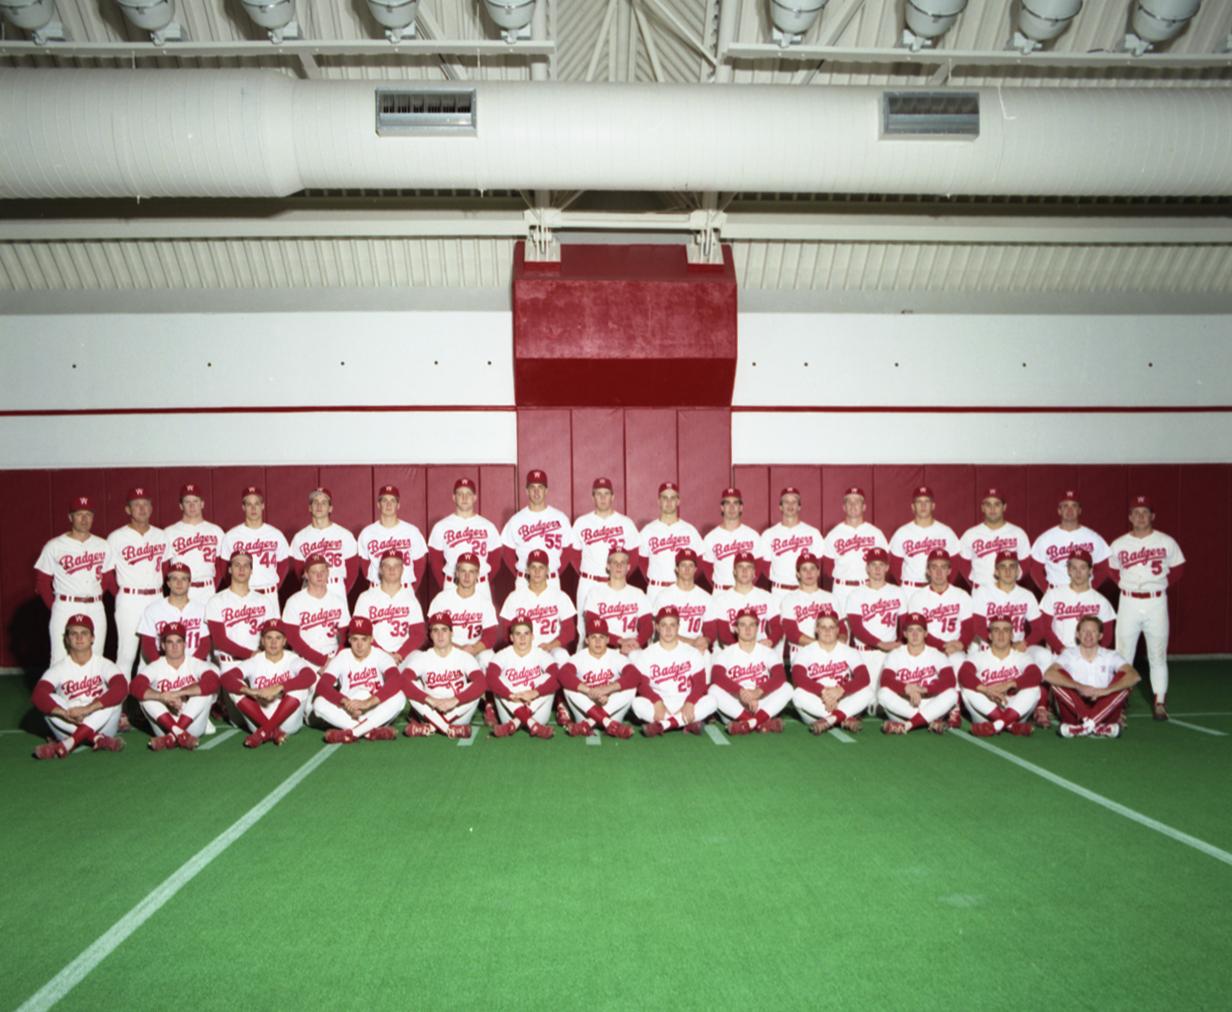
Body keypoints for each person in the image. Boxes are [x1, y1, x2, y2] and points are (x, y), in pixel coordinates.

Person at [1110, 494, 1185, 720]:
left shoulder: (1166, 541)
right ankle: (1119, 701)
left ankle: (1159, 700)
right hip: (1129, 600)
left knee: (1157, 654)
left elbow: (1178, 568)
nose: (1141, 517)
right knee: (1123, 654)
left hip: (1156, 600)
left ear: (1153, 516)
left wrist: (1159, 585)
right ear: (1130, 517)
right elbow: (1111, 569)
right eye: (1136, 513)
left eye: (1145, 513)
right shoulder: (1120, 543)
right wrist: (1126, 585)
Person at [30, 614, 126, 759]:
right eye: (74, 633)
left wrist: (88, 709)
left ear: (92, 638)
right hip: (69, 723)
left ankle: (68, 744)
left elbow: (121, 687)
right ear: (67, 639)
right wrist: (63, 713)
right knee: (49, 700)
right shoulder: (59, 668)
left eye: (84, 633)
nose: (79, 637)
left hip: (102, 724)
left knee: (114, 699)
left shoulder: (104, 664)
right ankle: (96, 739)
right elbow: (38, 694)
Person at [34, 495, 114, 663]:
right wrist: (57, 606)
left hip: (95, 606)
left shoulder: (103, 544)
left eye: (88, 514)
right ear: (70, 517)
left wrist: (95, 596)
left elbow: (107, 579)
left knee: (96, 655)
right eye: (79, 514)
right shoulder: (54, 545)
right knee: (60, 657)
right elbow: (42, 583)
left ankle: (92, 690)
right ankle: (57, 690)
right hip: (65, 605)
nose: (84, 519)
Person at [220, 618, 315, 748]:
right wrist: (249, 691)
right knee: (235, 689)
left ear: (284, 641)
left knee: (300, 687)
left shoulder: (292, 659)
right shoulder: (255, 661)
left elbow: (310, 676)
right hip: (258, 720)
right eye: (269, 637)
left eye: (278, 637)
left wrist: (278, 688)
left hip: (288, 722)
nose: (273, 642)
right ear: (262, 641)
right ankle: (271, 731)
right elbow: (226, 678)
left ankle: (264, 732)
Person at [1044, 616, 1141, 739]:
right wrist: (1079, 687)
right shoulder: (1069, 654)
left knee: (1124, 682)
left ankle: (1083, 727)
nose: (1088, 635)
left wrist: (1105, 691)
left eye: (1093, 631)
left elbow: (1134, 676)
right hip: (1075, 707)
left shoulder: (1110, 655)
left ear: (1100, 636)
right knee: (1057, 680)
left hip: (1103, 703)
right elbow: (1048, 674)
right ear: (1077, 635)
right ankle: (1096, 726)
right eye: (1084, 631)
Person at [106, 485, 167, 676]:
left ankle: (147, 703)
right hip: (129, 598)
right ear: (128, 509)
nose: (142, 508)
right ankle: (118, 705)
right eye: (136, 504)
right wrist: (123, 596)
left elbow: (165, 567)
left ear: (151, 507)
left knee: (151, 654)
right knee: (126, 654)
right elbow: (107, 575)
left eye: (146, 504)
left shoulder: (161, 535)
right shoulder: (116, 537)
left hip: (156, 597)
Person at [312, 617, 404, 744]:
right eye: (355, 639)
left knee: (399, 697)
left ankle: (353, 733)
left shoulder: (381, 655)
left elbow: (395, 681)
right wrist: (345, 702)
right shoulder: (342, 656)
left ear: (371, 639)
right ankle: (370, 732)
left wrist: (367, 703)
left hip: (374, 709)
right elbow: (322, 686)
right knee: (319, 703)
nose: (359, 645)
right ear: (349, 639)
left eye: (364, 639)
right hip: (350, 711)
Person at [131, 622, 219, 750]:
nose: (174, 646)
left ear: (185, 644)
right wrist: (161, 697)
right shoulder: (155, 666)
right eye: (169, 642)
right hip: (164, 726)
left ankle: (172, 738)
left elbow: (213, 681)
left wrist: (178, 694)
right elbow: (135, 686)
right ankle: (179, 734)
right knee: (145, 697)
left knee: (204, 693)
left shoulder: (194, 663)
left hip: (193, 724)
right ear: (162, 645)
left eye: (178, 641)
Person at [629, 606, 714, 736]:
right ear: (657, 627)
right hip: (660, 702)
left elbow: (700, 684)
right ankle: (686, 722)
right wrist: (657, 702)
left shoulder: (692, 652)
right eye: (663, 625)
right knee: (636, 703)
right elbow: (642, 685)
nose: (668, 630)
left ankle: (664, 725)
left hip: (685, 699)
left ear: (678, 627)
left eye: (672, 625)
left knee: (712, 701)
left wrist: (690, 702)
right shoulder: (646, 654)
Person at [403, 614, 486, 739]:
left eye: (444, 630)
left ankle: (430, 727)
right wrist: (430, 700)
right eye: (435, 630)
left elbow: (481, 683)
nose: (440, 635)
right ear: (430, 635)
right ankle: (448, 729)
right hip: (430, 710)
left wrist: (455, 700)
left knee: (475, 687)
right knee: (411, 684)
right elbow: (403, 680)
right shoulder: (423, 657)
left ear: (452, 633)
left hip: (458, 713)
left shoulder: (464, 656)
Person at [570, 476, 640, 623]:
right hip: (588, 582)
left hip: (616, 583)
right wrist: (587, 572)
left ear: (613, 497)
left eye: (606, 494)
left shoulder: (626, 523)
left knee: (615, 625)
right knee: (584, 628)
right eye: (598, 494)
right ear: (593, 497)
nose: (602, 498)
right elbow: (574, 555)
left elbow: (634, 555)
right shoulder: (581, 523)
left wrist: (620, 575)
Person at [708, 608, 790, 734]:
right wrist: (740, 692)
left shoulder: (766, 651)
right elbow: (717, 677)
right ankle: (758, 722)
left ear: (757, 628)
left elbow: (780, 676)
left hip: (761, 701)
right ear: (736, 628)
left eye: (752, 624)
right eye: (743, 624)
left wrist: (758, 692)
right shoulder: (726, 653)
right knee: (713, 690)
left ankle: (747, 724)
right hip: (736, 704)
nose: (747, 629)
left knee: (787, 688)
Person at [957, 617, 1041, 737]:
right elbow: (963, 674)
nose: (1001, 634)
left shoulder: (1022, 657)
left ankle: (997, 726)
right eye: (996, 630)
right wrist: (986, 690)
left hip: (1015, 708)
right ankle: (1010, 726)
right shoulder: (978, 656)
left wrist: (1009, 684)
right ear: (990, 636)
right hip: (986, 711)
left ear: (1012, 635)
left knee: (1034, 688)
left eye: (1006, 630)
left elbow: (1036, 674)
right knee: (967, 689)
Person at [878, 613, 959, 736]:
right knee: (882, 693)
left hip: (928, 702)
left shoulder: (936, 654)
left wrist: (924, 689)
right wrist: (906, 689)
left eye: (919, 630)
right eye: (910, 630)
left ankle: (907, 725)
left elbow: (950, 680)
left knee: (952, 693)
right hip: (905, 705)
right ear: (905, 634)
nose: (915, 634)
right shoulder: (895, 654)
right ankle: (928, 720)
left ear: (926, 633)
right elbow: (885, 680)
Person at [556, 618, 638, 738]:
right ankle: (608, 724)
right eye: (594, 637)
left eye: (602, 637)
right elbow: (563, 674)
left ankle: (589, 724)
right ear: (587, 640)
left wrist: (607, 690)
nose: (598, 641)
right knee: (569, 688)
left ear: (608, 639)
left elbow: (634, 675)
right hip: (585, 710)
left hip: (611, 709)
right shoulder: (579, 657)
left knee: (631, 687)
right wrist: (590, 692)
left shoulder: (616, 656)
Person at [844, 547, 905, 707]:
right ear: (867, 568)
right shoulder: (856, 594)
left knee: (888, 701)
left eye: (881, 564)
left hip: (889, 655)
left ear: (887, 567)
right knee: (866, 702)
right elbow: (857, 629)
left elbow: (904, 625)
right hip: (865, 654)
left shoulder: (897, 592)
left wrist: (899, 644)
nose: (877, 569)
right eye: (873, 565)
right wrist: (880, 643)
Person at [791, 613, 871, 734]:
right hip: (817, 704)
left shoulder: (849, 651)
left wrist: (841, 690)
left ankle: (830, 720)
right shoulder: (806, 651)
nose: (827, 631)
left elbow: (864, 677)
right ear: (816, 629)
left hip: (842, 699)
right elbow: (798, 677)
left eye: (831, 627)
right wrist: (823, 691)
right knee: (797, 694)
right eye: (823, 627)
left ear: (838, 630)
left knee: (867, 692)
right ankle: (842, 719)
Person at [427, 477, 506, 596]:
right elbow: (435, 560)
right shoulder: (441, 526)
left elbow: (495, 560)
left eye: (468, 494)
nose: (464, 498)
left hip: (480, 585)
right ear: (453, 497)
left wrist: (482, 580)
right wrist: (444, 582)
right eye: (460, 494)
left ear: (475, 498)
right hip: (452, 583)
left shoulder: (488, 526)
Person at [498, 549, 577, 666]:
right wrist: (523, 648)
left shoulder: (560, 596)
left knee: (562, 656)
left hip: (550, 648)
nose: (537, 572)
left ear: (547, 570)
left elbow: (570, 631)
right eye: (533, 567)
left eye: (541, 567)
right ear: (527, 570)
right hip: (523, 649)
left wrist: (551, 645)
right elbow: (506, 630)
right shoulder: (515, 596)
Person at [501, 469, 578, 589]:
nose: (536, 491)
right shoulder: (516, 520)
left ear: (546, 490)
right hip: (525, 581)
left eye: (540, 487)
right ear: (526, 491)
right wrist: (519, 572)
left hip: (551, 580)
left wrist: (555, 570)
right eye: (532, 487)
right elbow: (506, 551)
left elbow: (568, 550)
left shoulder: (560, 518)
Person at [485, 617, 559, 739]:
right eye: (518, 634)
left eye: (526, 633)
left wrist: (534, 693)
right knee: (499, 680)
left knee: (548, 677)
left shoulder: (541, 654)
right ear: (511, 637)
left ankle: (516, 723)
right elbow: (490, 678)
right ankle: (531, 724)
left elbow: (557, 677)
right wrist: (510, 696)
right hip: (509, 711)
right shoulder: (502, 655)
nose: (522, 638)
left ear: (532, 636)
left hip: (537, 712)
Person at [205, 551, 279, 667]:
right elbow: (220, 641)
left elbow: (271, 635)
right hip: (229, 664)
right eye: (237, 565)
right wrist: (250, 654)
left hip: (258, 663)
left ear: (251, 571)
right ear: (229, 569)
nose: (241, 569)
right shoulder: (216, 601)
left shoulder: (264, 601)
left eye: (246, 566)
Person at [1028, 490, 1111, 591]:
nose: (1070, 510)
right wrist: (1046, 590)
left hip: (1084, 592)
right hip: (1056, 591)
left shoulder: (1093, 538)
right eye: (1065, 506)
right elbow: (1035, 569)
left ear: (1080, 510)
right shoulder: (1045, 538)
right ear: (1059, 510)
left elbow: (1104, 567)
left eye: (1074, 506)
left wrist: (1091, 588)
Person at [822, 486, 888, 614]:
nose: (853, 505)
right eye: (849, 502)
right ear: (844, 507)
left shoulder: (875, 533)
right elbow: (827, 567)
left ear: (864, 507)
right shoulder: (834, 534)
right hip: (842, 589)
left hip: (868, 587)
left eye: (857, 501)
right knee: (841, 630)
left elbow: (886, 562)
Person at [353, 551, 427, 664]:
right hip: (373, 655)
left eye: (396, 565)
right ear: (380, 569)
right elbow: (359, 633)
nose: (392, 570)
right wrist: (384, 656)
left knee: (420, 659)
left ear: (402, 569)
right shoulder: (365, 598)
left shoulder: (410, 599)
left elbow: (418, 634)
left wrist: (400, 654)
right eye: (387, 566)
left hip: (403, 657)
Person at [217, 485, 290, 598]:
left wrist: (275, 584)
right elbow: (224, 567)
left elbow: (284, 563)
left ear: (263, 506)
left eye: (257, 504)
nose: (253, 508)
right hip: (242, 594)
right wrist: (237, 587)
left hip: (268, 593)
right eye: (249, 504)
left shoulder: (275, 535)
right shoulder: (231, 536)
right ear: (243, 507)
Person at [424, 552, 496, 667]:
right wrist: (458, 649)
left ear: (477, 574)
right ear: (456, 573)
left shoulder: (484, 602)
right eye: (463, 571)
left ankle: (484, 685)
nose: (467, 577)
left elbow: (491, 634)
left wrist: (474, 649)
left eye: (471, 572)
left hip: (475, 648)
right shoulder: (442, 599)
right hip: (447, 648)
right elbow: (431, 631)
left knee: (488, 657)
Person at [760, 485, 825, 608]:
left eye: (794, 502)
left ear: (799, 506)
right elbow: (764, 566)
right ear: (780, 506)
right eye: (786, 502)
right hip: (780, 592)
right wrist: (780, 578)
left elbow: (820, 562)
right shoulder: (769, 534)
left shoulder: (812, 533)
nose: (790, 505)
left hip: (806, 591)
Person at [281, 553, 349, 669]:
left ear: (328, 572)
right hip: (304, 660)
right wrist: (322, 661)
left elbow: (346, 636)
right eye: (314, 572)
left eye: (323, 571)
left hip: (333, 658)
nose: (319, 575)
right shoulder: (294, 601)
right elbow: (293, 639)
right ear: (306, 575)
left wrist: (334, 662)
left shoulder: (339, 601)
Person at [889, 485, 963, 590]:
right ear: (912, 507)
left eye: (927, 502)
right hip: (910, 588)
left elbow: (955, 563)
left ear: (933, 506)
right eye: (919, 502)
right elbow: (895, 565)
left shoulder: (946, 532)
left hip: (937, 588)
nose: (923, 506)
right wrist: (903, 585)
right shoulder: (902, 533)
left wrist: (946, 585)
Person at [162, 482, 225, 604]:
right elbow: (164, 567)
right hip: (181, 589)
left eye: (195, 501)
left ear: (202, 504)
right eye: (187, 502)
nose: (192, 506)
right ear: (181, 505)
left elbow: (221, 565)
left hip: (208, 589)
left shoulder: (216, 531)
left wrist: (213, 586)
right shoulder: (169, 532)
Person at [290, 487, 359, 596]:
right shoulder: (299, 537)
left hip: (335, 586)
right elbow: (299, 571)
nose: (319, 506)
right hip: (311, 588)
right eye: (315, 502)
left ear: (330, 508)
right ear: (309, 507)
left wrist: (342, 591)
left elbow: (353, 570)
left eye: (324, 502)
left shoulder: (344, 535)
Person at [357, 483, 428, 590]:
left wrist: (411, 589)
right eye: (384, 501)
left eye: (393, 501)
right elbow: (364, 565)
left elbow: (419, 563)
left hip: (404, 587)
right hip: (377, 588)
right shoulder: (367, 533)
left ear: (398, 505)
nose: (388, 505)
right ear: (378, 504)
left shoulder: (412, 531)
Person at [638, 481, 705, 593]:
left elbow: (700, 560)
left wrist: (687, 580)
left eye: (672, 498)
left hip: (682, 589)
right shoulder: (648, 530)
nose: (668, 502)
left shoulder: (689, 530)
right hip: (657, 588)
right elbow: (641, 560)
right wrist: (653, 578)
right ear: (659, 501)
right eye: (665, 498)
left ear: (678, 501)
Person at [958, 487, 1030, 592]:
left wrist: (1013, 579)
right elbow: (962, 562)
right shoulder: (970, 534)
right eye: (988, 504)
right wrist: (974, 579)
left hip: (1009, 590)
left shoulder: (1017, 533)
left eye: (997, 504)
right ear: (982, 507)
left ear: (1004, 507)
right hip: (981, 590)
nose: (992, 509)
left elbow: (1026, 562)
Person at [138, 561, 211, 663]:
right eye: (174, 578)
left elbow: (205, 645)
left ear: (190, 583)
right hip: (163, 667)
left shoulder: (202, 610)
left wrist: (189, 668)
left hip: (194, 666)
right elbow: (148, 646)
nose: (179, 583)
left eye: (184, 579)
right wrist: (162, 668)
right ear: (168, 583)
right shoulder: (152, 610)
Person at [706, 551, 781, 649]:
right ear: (734, 572)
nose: (744, 571)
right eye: (740, 567)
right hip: (732, 651)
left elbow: (777, 626)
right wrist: (745, 648)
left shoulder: (766, 597)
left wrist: (771, 640)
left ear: (754, 572)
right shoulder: (721, 600)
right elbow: (723, 634)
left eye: (749, 567)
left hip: (760, 650)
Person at [583, 547, 651, 652]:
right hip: (605, 647)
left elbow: (648, 625)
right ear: (608, 566)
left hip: (632, 646)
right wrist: (619, 642)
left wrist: (637, 641)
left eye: (623, 562)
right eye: (615, 562)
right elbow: (591, 625)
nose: (619, 566)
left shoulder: (638, 593)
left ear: (628, 567)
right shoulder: (595, 593)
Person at [779, 551, 842, 665]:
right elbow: (791, 633)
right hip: (801, 653)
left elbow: (842, 628)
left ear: (818, 572)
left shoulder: (831, 598)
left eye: (812, 568)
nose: (809, 573)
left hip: (830, 653)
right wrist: (820, 645)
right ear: (798, 574)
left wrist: (839, 646)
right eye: (804, 569)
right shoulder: (789, 599)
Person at [648, 548, 712, 654]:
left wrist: (706, 640)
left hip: (697, 648)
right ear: (677, 568)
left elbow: (711, 630)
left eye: (690, 566)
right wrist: (691, 642)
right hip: (670, 646)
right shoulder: (664, 596)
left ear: (696, 569)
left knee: (706, 655)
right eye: (683, 565)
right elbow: (658, 632)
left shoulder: (706, 597)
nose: (687, 569)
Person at [702, 486, 762, 592]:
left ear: (741, 507)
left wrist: (747, 585)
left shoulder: (753, 536)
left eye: (735, 503)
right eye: (727, 503)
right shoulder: (711, 537)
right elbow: (707, 568)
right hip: (721, 592)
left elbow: (759, 564)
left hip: (745, 591)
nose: (731, 507)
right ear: (722, 507)